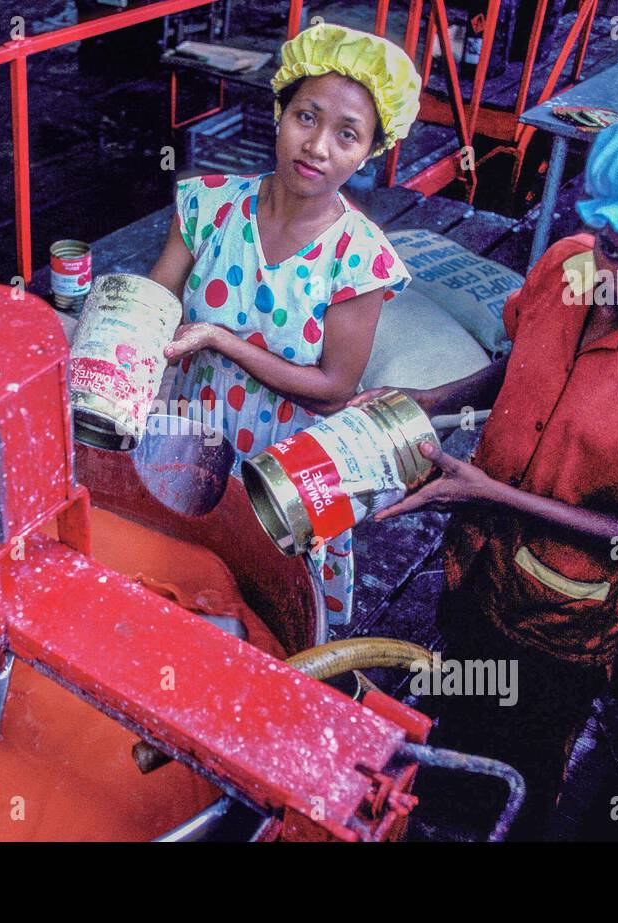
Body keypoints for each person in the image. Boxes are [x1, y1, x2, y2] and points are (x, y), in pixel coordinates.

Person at [350, 115, 618, 837]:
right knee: (457, 707)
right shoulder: (567, 264)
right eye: (610, 247)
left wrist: (492, 492)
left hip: (559, 621)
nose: (610, 275)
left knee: (517, 764)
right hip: (475, 564)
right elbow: (517, 366)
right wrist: (425, 403)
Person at [147, 23, 422, 626]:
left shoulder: (360, 257)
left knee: (267, 623)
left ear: (369, 151)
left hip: (286, 482)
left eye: (347, 135)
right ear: (279, 112)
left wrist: (221, 340)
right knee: (181, 597)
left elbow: (333, 390)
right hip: (191, 450)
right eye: (307, 117)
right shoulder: (207, 206)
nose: (318, 146)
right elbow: (153, 314)